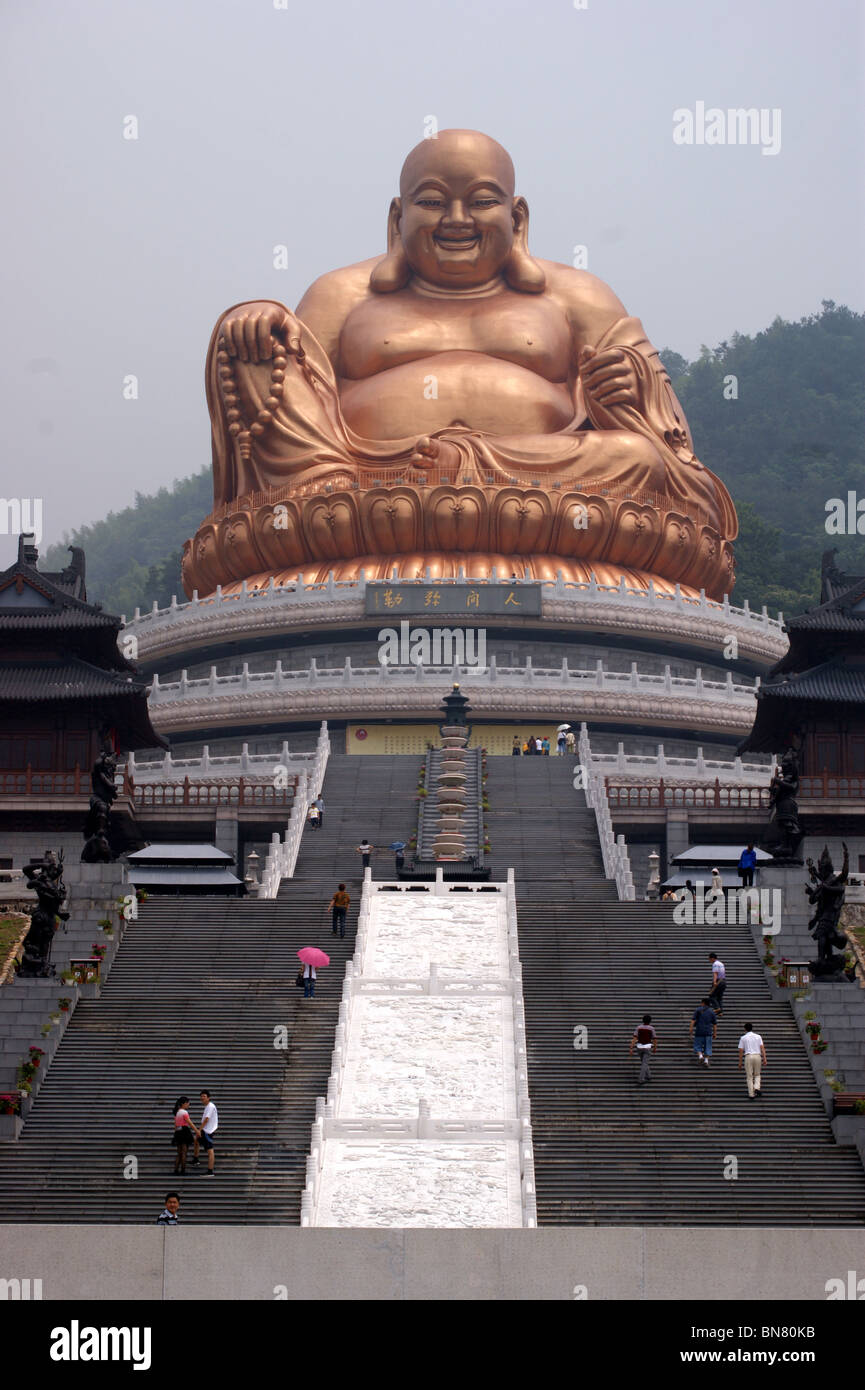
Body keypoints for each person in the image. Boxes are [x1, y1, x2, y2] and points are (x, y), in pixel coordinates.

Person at [738, 1023, 767, 1098]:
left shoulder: (743, 1038)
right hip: (757, 1056)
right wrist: (764, 1058)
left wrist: (740, 1062)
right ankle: (756, 1087)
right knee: (757, 1074)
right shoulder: (758, 1036)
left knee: (749, 1076)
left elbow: (741, 1050)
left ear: (745, 1029)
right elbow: (762, 1048)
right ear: (752, 1028)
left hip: (748, 1056)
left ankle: (751, 1094)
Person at [192, 1090, 218, 1174]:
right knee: (196, 1140)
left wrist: (199, 1129)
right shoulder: (208, 1106)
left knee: (210, 1150)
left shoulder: (210, 1106)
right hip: (205, 1129)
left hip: (207, 1131)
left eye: (204, 1096)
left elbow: (207, 1119)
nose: (202, 1098)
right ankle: (195, 1159)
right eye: (201, 1096)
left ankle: (210, 1171)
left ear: (208, 1097)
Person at [171, 1096, 198, 1175]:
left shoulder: (177, 1112)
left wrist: (175, 1133)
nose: (188, 1104)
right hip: (184, 1132)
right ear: (183, 1104)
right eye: (187, 1103)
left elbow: (175, 1125)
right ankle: (183, 1170)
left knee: (179, 1153)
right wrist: (197, 1131)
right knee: (184, 1152)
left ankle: (176, 1170)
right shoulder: (184, 1112)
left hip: (178, 1133)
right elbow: (189, 1122)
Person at [629, 1014, 657, 1086]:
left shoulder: (639, 1027)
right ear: (650, 1021)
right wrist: (655, 1047)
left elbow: (634, 1038)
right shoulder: (651, 1028)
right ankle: (641, 1079)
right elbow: (654, 1039)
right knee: (644, 1063)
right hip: (647, 1047)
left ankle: (649, 1076)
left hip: (639, 1047)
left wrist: (631, 1048)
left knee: (644, 1062)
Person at [689, 998, 718, 1067]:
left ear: (703, 1003)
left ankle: (700, 1056)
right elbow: (714, 1024)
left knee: (697, 1045)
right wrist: (715, 1033)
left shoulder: (698, 1010)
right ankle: (706, 1061)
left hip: (699, 1031)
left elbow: (693, 1020)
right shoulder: (712, 1012)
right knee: (708, 1047)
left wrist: (691, 1029)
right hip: (708, 1032)